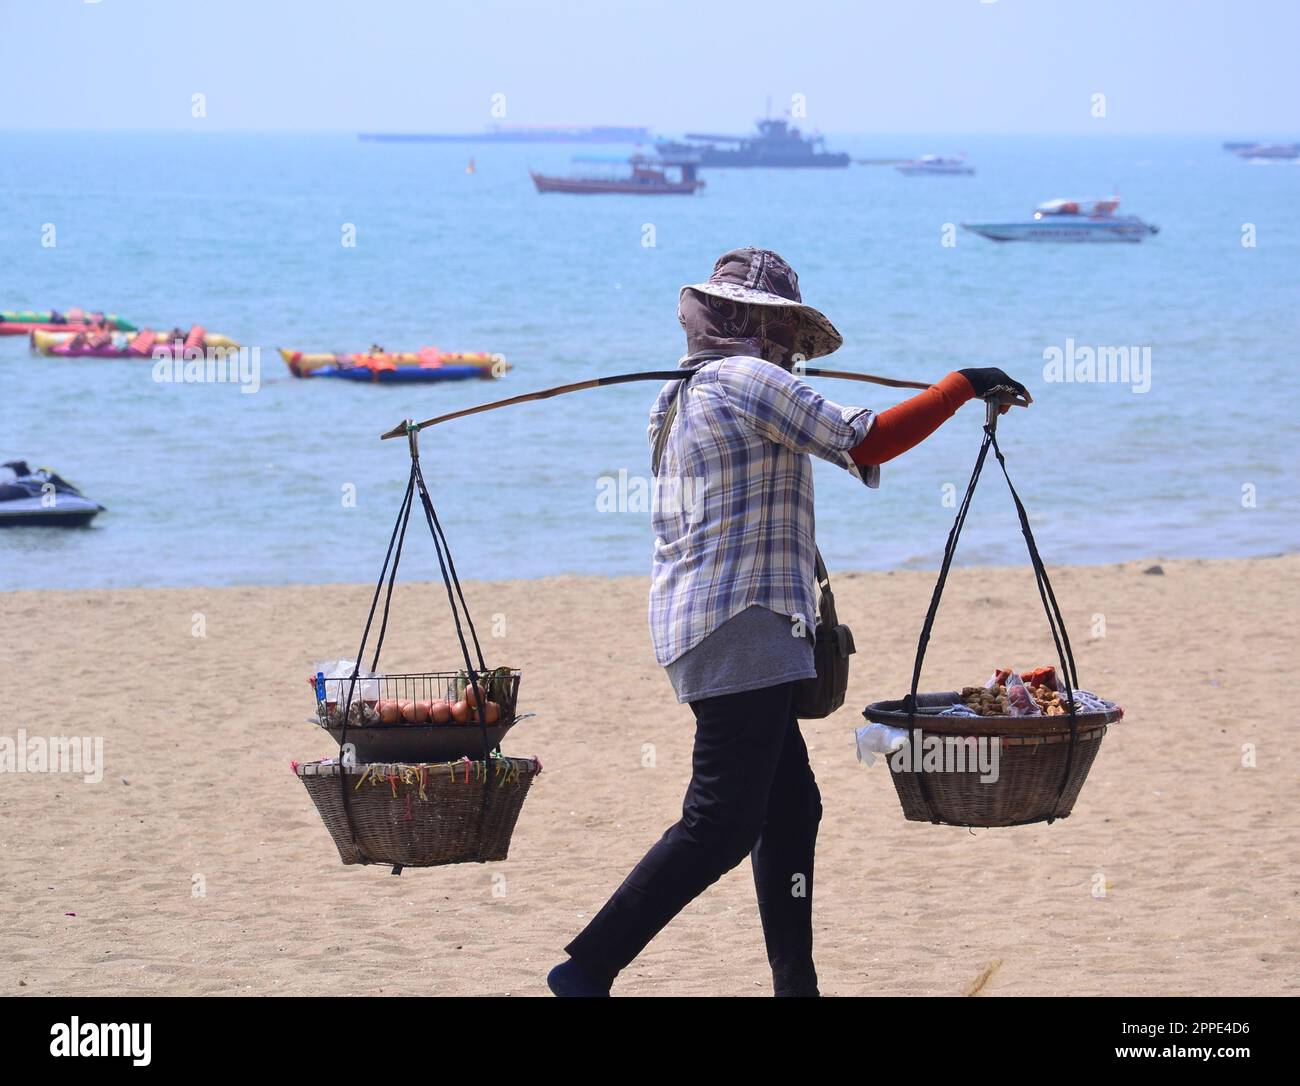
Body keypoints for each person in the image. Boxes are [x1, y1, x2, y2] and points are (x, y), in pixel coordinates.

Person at [549, 248, 1030, 997]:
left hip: (717, 622)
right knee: (720, 823)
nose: (786, 347)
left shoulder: (683, 393)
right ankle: (586, 969)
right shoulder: (747, 381)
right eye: (775, 327)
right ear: (744, 323)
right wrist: (961, 385)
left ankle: (794, 983)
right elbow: (866, 440)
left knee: (791, 806)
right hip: (740, 620)